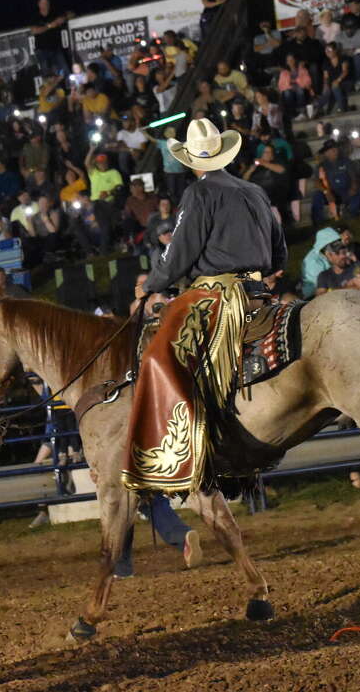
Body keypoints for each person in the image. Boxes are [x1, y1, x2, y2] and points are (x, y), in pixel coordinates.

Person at [122, 119, 286, 493]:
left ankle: (179, 456)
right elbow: (280, 253)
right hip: (257, 291)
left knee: (157, 358)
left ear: (190, 160)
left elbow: (180, 251)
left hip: (216, 295)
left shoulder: (198, 195)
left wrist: (152, 285)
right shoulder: (255, 191)